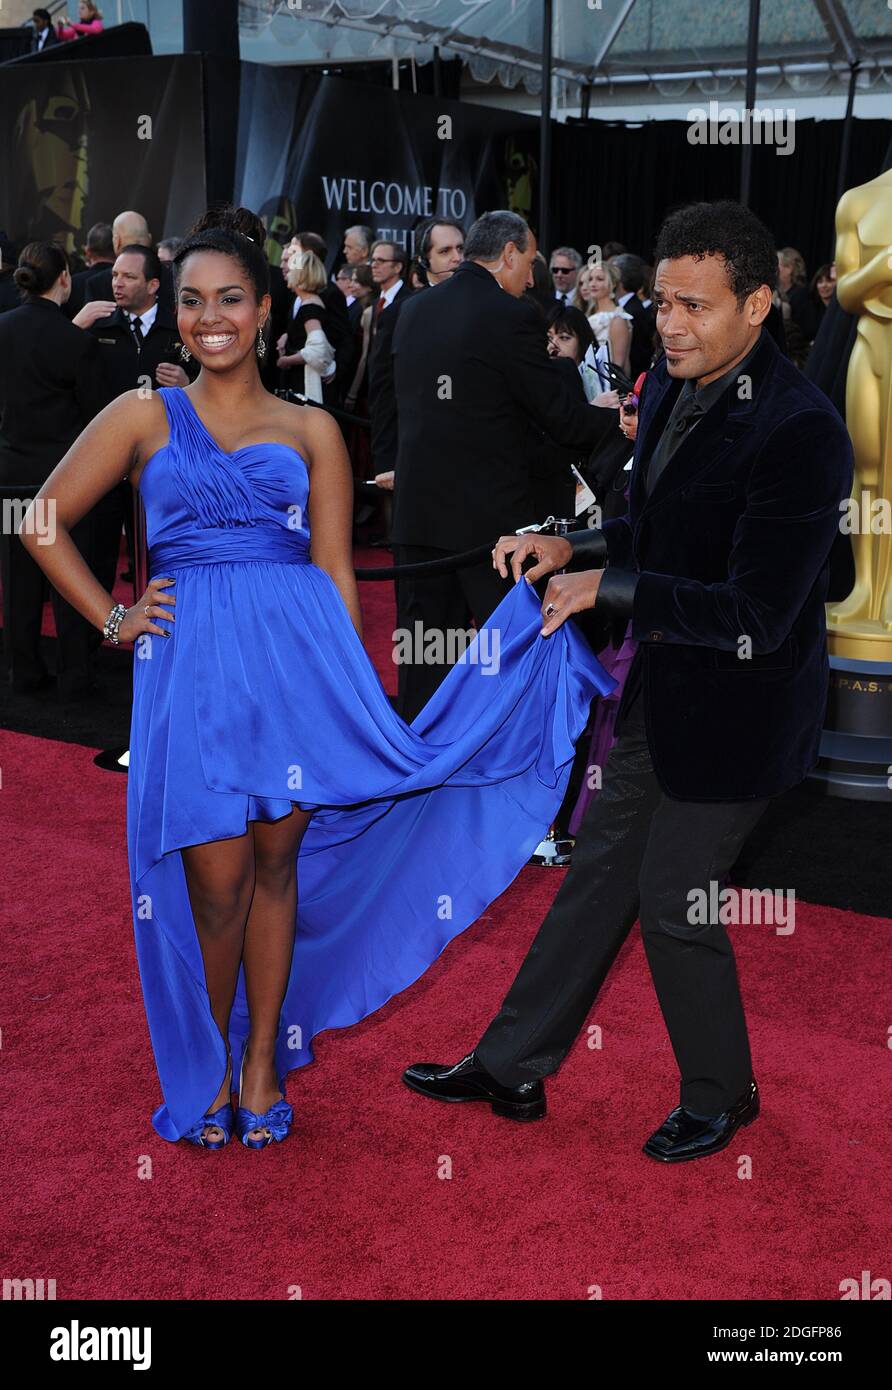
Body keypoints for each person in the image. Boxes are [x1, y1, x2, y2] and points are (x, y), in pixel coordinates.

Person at [18, 203, 616, 1150]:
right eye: (190, 302)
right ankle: (209, 1056)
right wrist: (115, 621)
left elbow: (337, 578)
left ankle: (260, 1062)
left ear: (265, 308)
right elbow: (40, 517)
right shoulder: (144, 413)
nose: (209, 318)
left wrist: (357, 706)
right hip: (194, 666)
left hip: (297, 671)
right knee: (215, 883)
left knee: (274, 864)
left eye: (230, 299)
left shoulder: (312, 429)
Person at [403, 200, 855, 1165]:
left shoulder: (802, 430)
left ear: (761, 304)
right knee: (596, 875)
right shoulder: (668, 391)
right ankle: (513, 1060)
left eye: (696, 306)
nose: (673, 324)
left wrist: (607, 581)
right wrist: (575, 540)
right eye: (662, 303)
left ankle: (723, 1093)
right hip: (661, 693)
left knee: (673, 897)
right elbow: (651, 534)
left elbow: (756, 613)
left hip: (744, 711)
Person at [389, 210, 615, 722]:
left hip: (418, 519)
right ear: (509, 252)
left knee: (427, 668)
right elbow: (558, 419)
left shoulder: (413, 310)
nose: (532, 277)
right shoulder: (512, 315)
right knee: (516, 666)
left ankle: (422, 784)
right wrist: (619, 424)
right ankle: (513, 785)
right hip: (490, 532)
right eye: (530, 261)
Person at [0, 242, 106, 697]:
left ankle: (22, 670)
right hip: (64, 481)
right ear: (65, 277)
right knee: (68, 571)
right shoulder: (74, 341)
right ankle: (75, 674)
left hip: (11, 476)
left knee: (18, 574)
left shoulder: (2, 329)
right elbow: (97, 414)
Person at [277, 248, 334, 402]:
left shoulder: (310, 307)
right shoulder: (308, 303)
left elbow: (317, 350)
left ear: (301, 274)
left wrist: (286, 361)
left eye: (291, 269)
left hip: (304, 385)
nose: (287, 271)